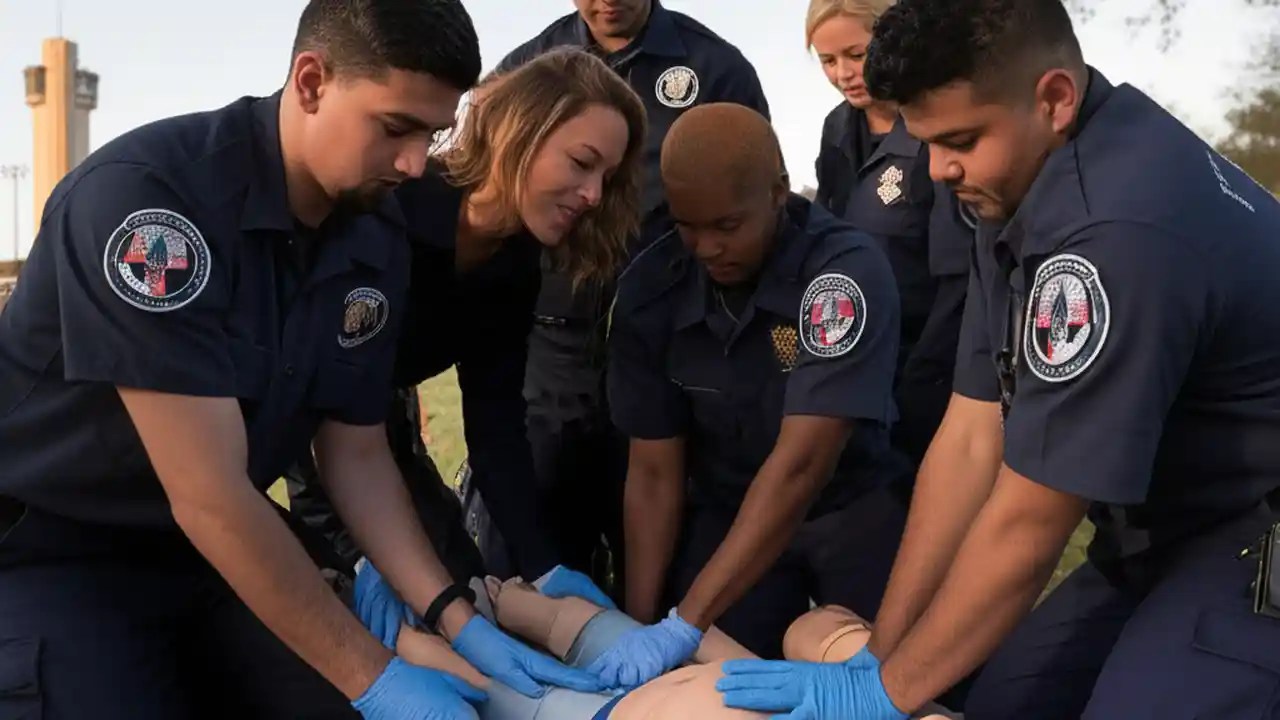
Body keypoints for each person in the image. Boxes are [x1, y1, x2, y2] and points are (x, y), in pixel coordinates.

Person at [0, 2, 603, 718]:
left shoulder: (371, 230)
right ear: (312, 81)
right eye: (395, 128)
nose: (417, 163)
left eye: (433, 133)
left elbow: (354, 451)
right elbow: (210, 493)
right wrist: (374, 677)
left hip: (204, 551)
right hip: (56, 551)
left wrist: (452, 614)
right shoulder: (154, 208)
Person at [716, 1, 1280, 718]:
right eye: (926, 142)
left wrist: (887, 695)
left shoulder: (1118, 229)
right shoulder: (1004, 186)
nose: (940, 169)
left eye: (960, 139)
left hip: (1258, 525)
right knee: (999, 701)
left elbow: (1033, 516)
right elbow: (970, 438)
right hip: (1164, 526)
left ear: (1053, 98)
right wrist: (880, 660)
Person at [285, 46, 648, 609]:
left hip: (385, 440)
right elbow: (306, 396)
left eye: (607, 176)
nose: (595, 195)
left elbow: (495, 421)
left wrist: (544, 567)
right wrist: (348, 554)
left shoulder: (515, 262)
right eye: (582, 163)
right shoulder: (392, 209)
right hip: (304, 446)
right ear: (520, 133)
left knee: (470, 586)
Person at [594, 102, 911, 688]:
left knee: (901, 678)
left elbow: (802, 465)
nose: (706, 247)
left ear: (778, 193)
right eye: (688, 225)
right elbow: (654, 473)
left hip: (849, 506)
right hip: (729, 510)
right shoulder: (651, 289)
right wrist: (641, 626)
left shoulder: (841, 273)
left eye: (727, 226)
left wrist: (684, 622)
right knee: (712, 681)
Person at [460, 0, 773, 591]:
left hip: (667, 355)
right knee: (532, 552)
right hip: (546, 349)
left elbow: (753, 218)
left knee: (662, 563)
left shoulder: (717, 70)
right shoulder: (528, 68)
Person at [354, 563, 959, 719]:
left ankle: (382, 621)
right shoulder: (894, 700)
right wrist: (863, 669)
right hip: (712, 675)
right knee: (522, 610)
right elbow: (808, 632)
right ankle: (509, 599)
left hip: (614, 712)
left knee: (479, 678)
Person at [807, 0, 973, 466]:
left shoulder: (935, 126)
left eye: (856, 54)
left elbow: (959, 283)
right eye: (827, 61)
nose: (843, 73)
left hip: (929, 374)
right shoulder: (836, 130)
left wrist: (918, 390)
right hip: (857, 368)